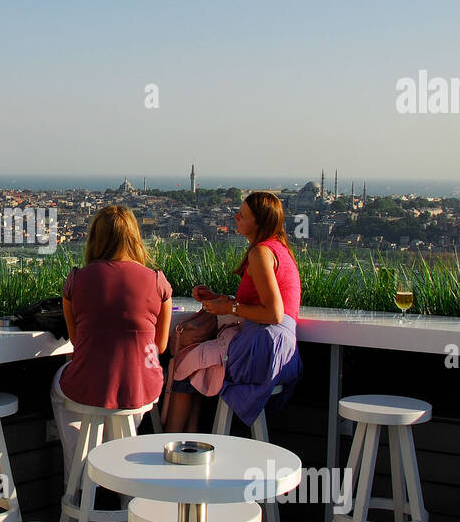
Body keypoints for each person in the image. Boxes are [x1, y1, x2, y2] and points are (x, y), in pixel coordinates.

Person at [162, 190, 302, 433]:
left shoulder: (260, 253)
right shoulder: (279, 249)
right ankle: (189, 438)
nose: (236, 217)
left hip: (261, 347)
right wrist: (220, 300)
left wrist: (229, 307)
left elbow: (273, 313)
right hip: (279, 348)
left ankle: (171, 440)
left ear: (259, 222)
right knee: (191, 365)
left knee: (184, 363)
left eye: (243, 214)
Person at [50, 205, 171, 481]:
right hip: (143, 387)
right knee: (120, 399)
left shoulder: (76, 280)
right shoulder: (158, 282)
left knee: (63, 386)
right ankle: (118, 476)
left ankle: (79, 475)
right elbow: (160, 346)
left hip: (88, 387)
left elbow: (78, 343)